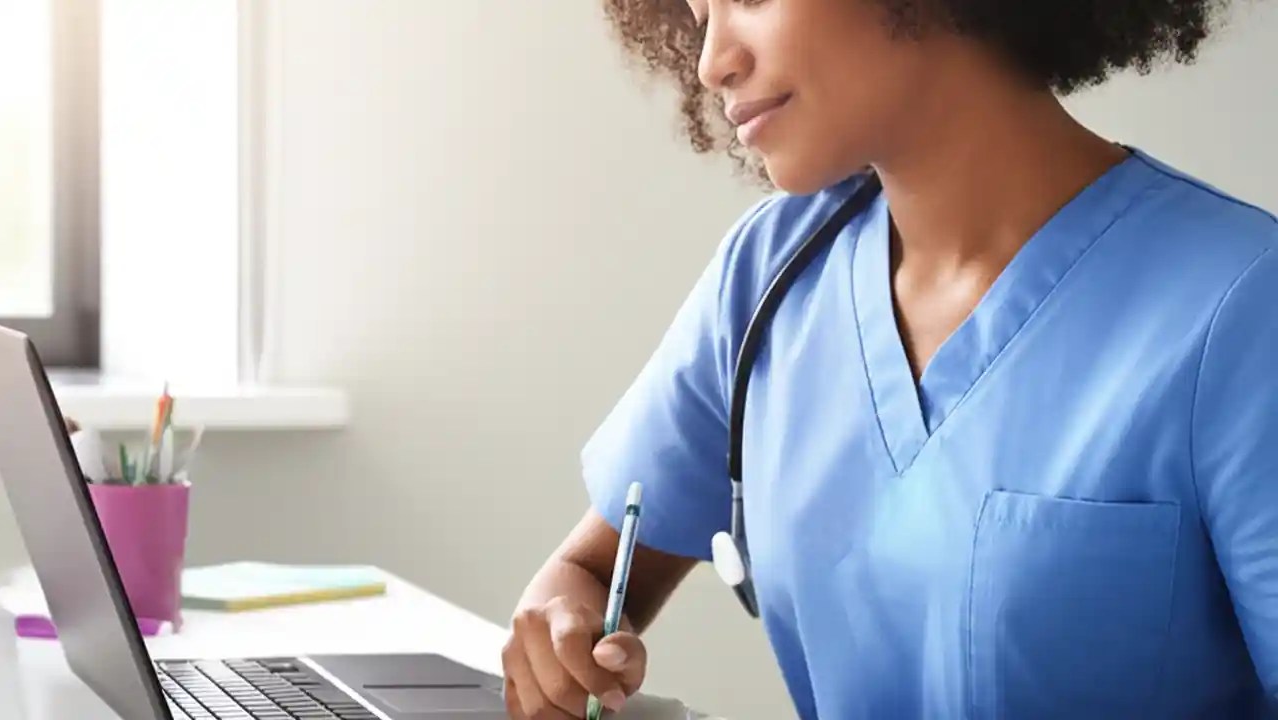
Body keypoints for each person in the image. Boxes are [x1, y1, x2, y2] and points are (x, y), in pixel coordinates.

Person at [502, 0, 1278, 717]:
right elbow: (587, 577)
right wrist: (562, 636)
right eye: (698, 12)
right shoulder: (769, 275)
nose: (712, 61)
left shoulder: (1242, 305)